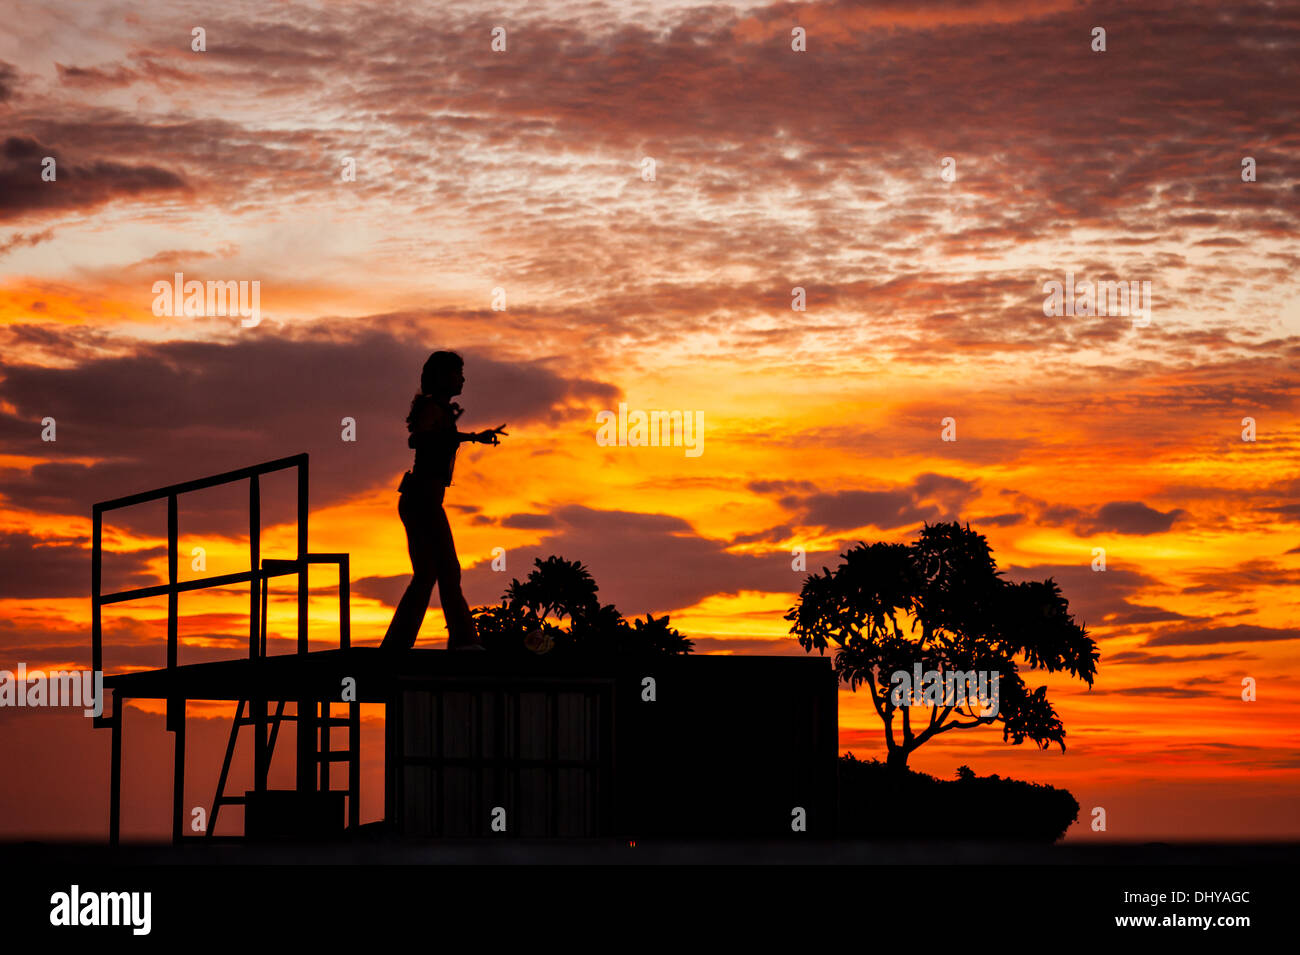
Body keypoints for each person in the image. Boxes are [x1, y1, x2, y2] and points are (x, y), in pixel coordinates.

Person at [379, 351, 506, 651]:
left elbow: (432, 437)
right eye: (457, 372)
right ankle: (463, 641)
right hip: (422, 498)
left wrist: (470, 436)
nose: (463, 378)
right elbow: (418, 439)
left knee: (427, 575)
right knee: (447, 569)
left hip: (421, 498)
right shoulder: (432, 409)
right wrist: (467, 437)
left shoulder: (439, 409)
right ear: (442, 376)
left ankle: (397, 646)